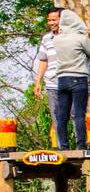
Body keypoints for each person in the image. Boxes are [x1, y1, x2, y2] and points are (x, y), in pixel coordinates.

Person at [48, 9, 90, 150]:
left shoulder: (57, 39)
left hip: (62, 79)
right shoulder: (80, 38)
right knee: (78, 114)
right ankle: (81, 146)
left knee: (62, 116)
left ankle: (63, 146)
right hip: (78, 79)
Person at [33, 8, 62, 145]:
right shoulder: (46, 38)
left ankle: (81, 146)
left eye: (54, 20)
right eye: (49, 20)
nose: (51, 23)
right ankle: (61, 146)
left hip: (70, 81)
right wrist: (38, 82)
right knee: (56, 115)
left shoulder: (71, 36)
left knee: (75, 115)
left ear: (61, 20)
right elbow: (43, 61)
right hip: (52, 83)